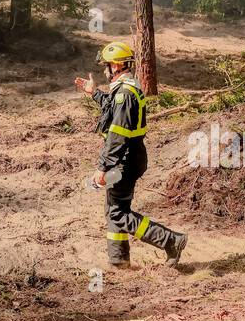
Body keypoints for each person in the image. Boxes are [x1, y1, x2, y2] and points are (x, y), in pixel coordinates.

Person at [75, 41, 187, 269]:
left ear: (115, 66)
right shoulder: (125, 90)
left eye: (106, 65)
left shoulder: (124, 94)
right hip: (127, 159)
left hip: (123, 162)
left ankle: (170, 240)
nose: (104, 70)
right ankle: (119, 261)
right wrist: (94, 93)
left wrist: (103, 167)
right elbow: (111, 107)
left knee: (117, 213)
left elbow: (117, 137)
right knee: (114, 211)